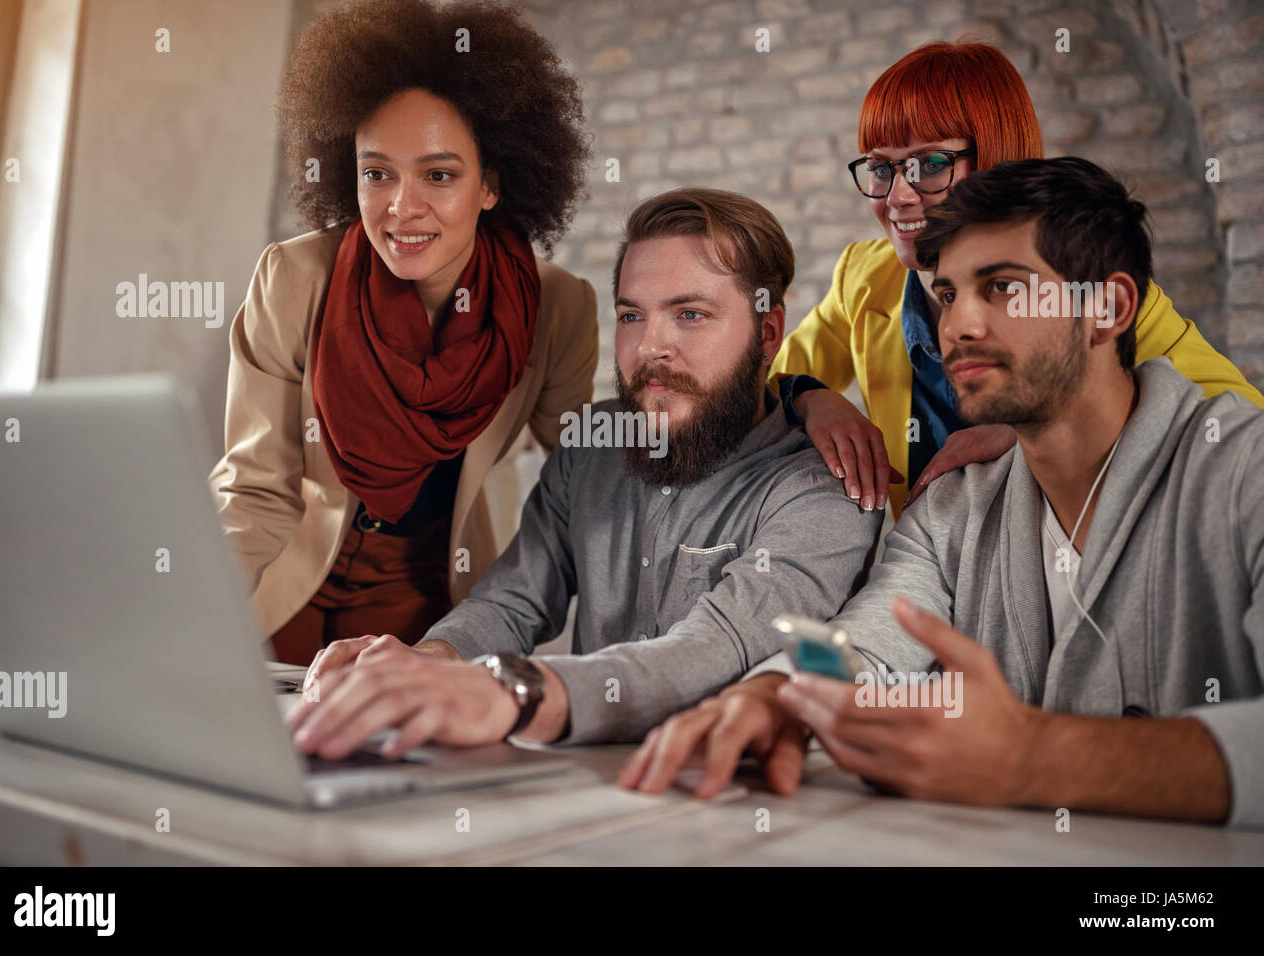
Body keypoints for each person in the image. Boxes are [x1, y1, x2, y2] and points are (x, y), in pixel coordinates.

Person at [622, 158, 1264, 830]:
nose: (959, 326)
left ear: (1108, 308)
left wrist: (1033, 757)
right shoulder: (950, 507)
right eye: (950, 294)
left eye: (1004, 289)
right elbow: (869, 645)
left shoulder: (1242, 472)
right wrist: (777, 695)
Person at [287, 189, 883, 759]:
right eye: (631, 315)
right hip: (582, 778)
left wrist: (511, 693)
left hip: (735, 802)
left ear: (769, 334)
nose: (652, 347)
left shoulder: (826, 488)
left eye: (691, 315)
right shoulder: (591, 444)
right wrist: (434, 658)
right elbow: (515, 600)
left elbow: (711, 648)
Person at [208, 0, 598, 665]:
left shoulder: (557, 306)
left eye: (439, 175)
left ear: (492, 185)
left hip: (434, 606)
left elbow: (584, 483)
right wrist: (190, 617)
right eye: (377, 173)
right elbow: (255, 490)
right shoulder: (294, 278)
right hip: (287, 587)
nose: (401, 207)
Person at [774, 41, 1264, 519]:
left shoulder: (1087, 278)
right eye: (882, 168)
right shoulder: (864, 276)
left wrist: (1034, 424)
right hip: (928, 572)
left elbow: (1239, 420)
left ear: (995, 159)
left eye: (930, 164)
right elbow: (755, 383)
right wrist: (808, 397)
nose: (898, 195)